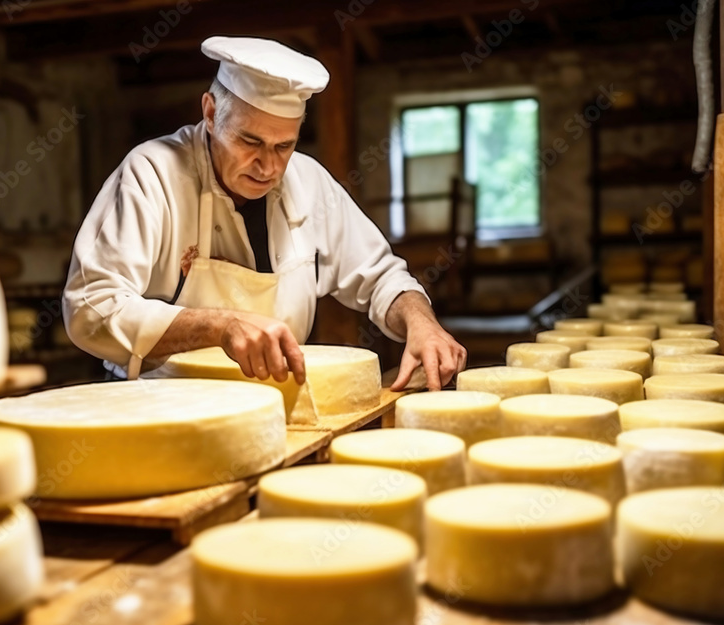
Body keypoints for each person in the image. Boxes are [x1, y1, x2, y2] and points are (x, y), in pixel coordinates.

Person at [63, 35, 466, 391]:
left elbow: (381, 276)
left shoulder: (308, 181)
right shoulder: (152, 173)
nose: (268, 166)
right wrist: (218, 327)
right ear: (209, 112)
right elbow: (90, 307)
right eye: (249, 141)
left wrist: (421, 321)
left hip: (274, 403)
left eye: (283, 146)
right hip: (158, 403)